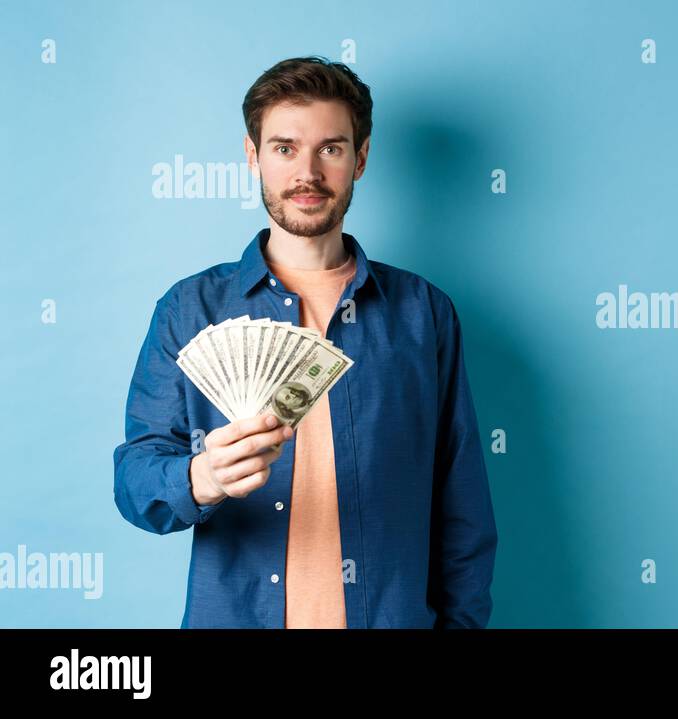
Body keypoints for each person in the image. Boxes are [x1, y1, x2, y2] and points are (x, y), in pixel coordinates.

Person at [112, 56, 498, 629]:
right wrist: (203, 478)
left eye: (331, 149)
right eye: (285, 148)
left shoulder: (424, 313)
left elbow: (461, 504)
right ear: (254, 157)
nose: (307, 174)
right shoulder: (189, 309)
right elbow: (135, 483)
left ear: (360, 159)